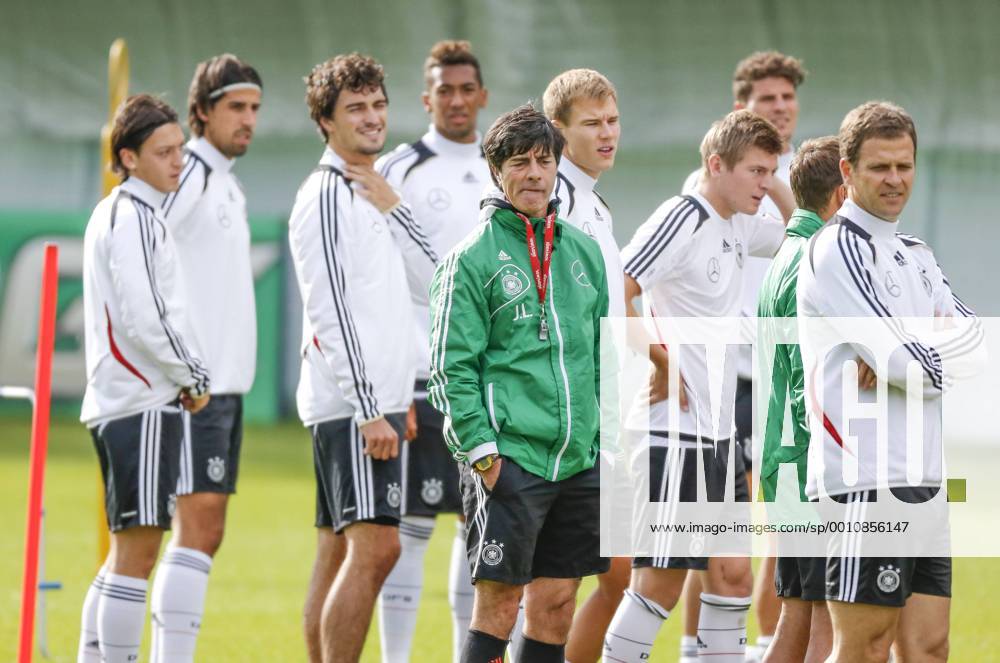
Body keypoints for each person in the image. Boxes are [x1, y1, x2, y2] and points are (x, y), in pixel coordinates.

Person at [603, 109, 794, 663]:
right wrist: (659, 361)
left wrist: (771, 178)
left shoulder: (738, 220)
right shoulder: (683, 215)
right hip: (672, 431)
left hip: (717, 430)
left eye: (770, 171)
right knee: (660, 583)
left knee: (733, 574)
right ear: (716, 165)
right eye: (756, 171)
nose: (765, 183)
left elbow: (800, 229)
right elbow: (620, 288)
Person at [797, 101, 979, 663]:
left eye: (904, 166)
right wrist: (908, 350)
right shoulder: (836, 248)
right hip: (864, 480)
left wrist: (905, 347)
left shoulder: (916, 254)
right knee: (864, 648)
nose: (895, 179)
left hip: (924, 478)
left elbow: (975, 345)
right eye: (879, 167)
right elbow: (908, 364)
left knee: (929, 650)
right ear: (848, 172)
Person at [428, 104, 610, 663]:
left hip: (578, 460)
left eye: (544, 160)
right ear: (496, 172)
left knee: (556, 604)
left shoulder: (584, 252)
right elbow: (449, 368)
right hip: (509, 459)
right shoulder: (470, 258)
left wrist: (604, 443)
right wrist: (484, 455)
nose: (534, 173)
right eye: (520, 163)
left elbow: (599, 357)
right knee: (499, 609)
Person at [289, 52, 437, 663]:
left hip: (377, 402)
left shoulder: (370, 192)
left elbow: (435, 282)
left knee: (339, 550)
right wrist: (371, 406)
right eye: (356, 108)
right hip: (354, 407)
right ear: (326, 121)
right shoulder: (324, 194)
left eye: (378, 105)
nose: (373, 118)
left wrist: (395, 208)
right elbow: (330, 313)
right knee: (378, 549)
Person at [679, 51, 806, 662]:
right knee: (722, 525)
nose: (780, 109)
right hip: (726, 379)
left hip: (782, 375)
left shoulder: (785, 184)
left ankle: (759, 647)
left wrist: (779, 176)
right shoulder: (709, 188)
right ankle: (695, 646)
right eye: (767, 101)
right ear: (741, 109)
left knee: (784, 518)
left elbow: (805, 237)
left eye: (787, 100)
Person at [77, 94, 211, 663]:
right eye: (163, 151)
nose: (177, 160)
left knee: (121, 557)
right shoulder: (131, 216)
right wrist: (194, 374)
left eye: (180, 148)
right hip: (142, 403)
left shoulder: (125, 212)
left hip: (122, 402)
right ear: (128, 158)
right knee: (137, 555)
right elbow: (146, 316)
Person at [374, 39, 489, 663]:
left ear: (482, 96)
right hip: (421, 372)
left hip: (488, 378)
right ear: (427, 99)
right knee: (411, 530)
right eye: (444, 89)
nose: (456, 99)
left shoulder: (507, 166)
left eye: (466, 88)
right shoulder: (398, 168)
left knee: (478, 532)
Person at [150, 53, 262, 662]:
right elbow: (144, 248)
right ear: (201, 112)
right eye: (235, 108)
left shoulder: (222, 177)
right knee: (195, 533)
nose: (247, 120)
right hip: (195, 387)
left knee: (195, 535)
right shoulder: (188, 171)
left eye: (254, 109)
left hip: (221, 384)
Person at [540, 68, 628, 663]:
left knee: (611, 574)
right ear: (557, 131)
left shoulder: (594, 202)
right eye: (592, 123)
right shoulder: (557, 202)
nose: (607, 134)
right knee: (550, 590)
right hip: (564, 423)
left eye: (613, 121)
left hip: (602, 423)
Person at [755, 136, 845, 662]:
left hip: (784, 458)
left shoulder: (788, 253)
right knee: (824, 624)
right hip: (808, 461)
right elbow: (805, 379)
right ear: (840, 194)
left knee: (802, 612)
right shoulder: (813, 260)